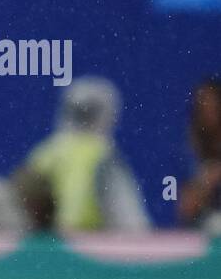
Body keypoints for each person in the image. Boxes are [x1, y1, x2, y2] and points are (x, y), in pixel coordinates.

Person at [14, 76, 150, 233]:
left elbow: (18, 222)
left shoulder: (43, 155)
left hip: (44, 254)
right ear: (108, 115)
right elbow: (133, 228)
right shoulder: (103, 159)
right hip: (86, 253)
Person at [179, 78, 221, 231]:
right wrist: (206, 182)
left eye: (214, 106)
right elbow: (185, 208)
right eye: (202, 107)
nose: (208, 112)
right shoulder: (189, 152)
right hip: (205, 231)